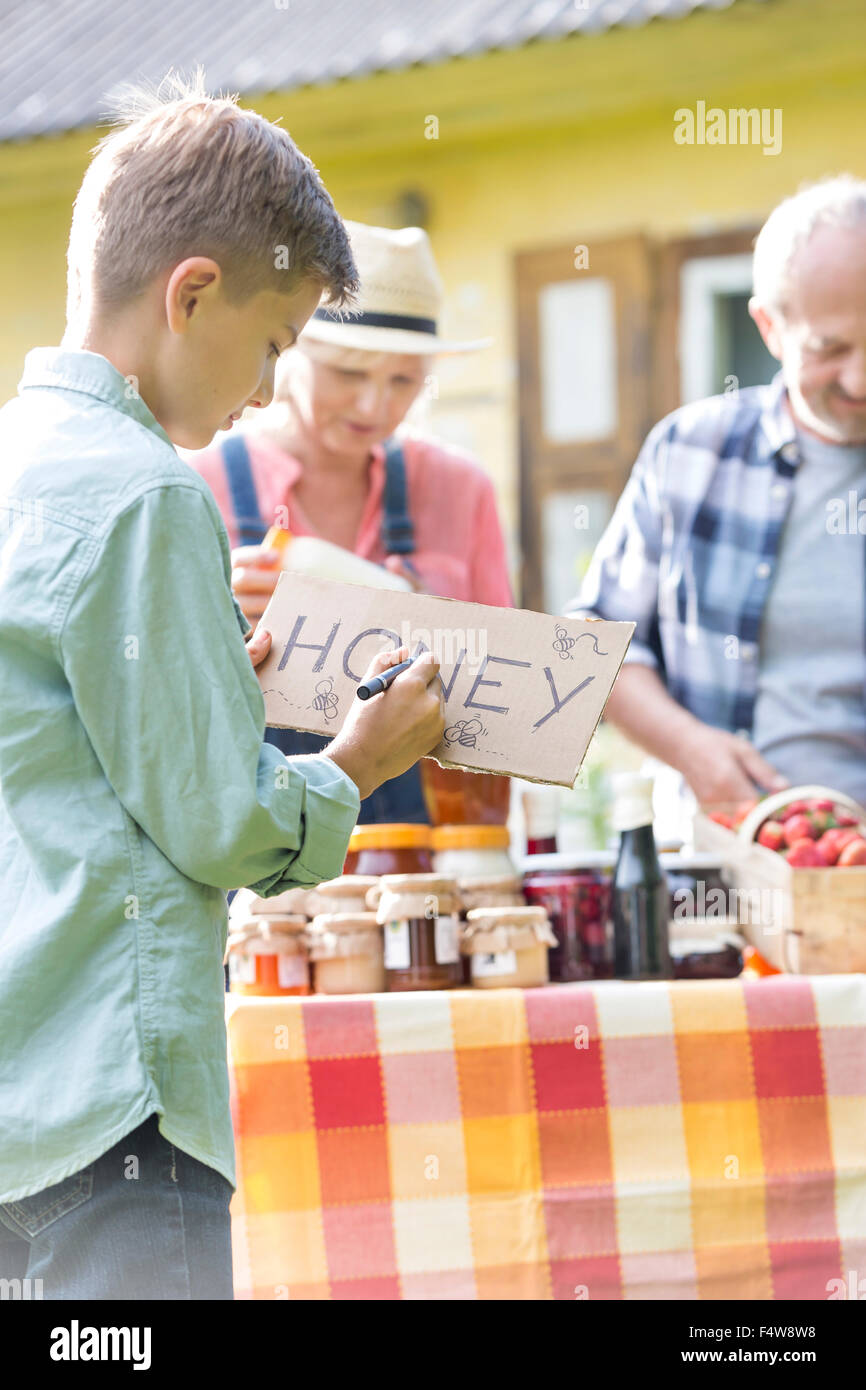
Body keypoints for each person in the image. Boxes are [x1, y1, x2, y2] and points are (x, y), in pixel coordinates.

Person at [0, 76, 444, 1300]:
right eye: (271, 347)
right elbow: (220, 824)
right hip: (116, 1106)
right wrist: (355, 756)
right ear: (190, 293)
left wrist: (211, 694)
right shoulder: (147, 492)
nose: (261, 394)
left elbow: (68, 742)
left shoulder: (19, 457)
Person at [189, 221, 514, 824]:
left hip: (426, 845)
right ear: (288, 347)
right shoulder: (195, 484)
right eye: (350, 374)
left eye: (402, 382)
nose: (375, 406)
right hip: (253, 837)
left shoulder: (457, 489)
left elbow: (508, 696)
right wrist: (212, 615)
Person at [569, 176, 866, 810]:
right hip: (723, 867)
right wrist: (690, 746)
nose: (860, 377)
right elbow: (599, 644)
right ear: (769, 327)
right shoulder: (690, 452)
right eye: (830, 348)